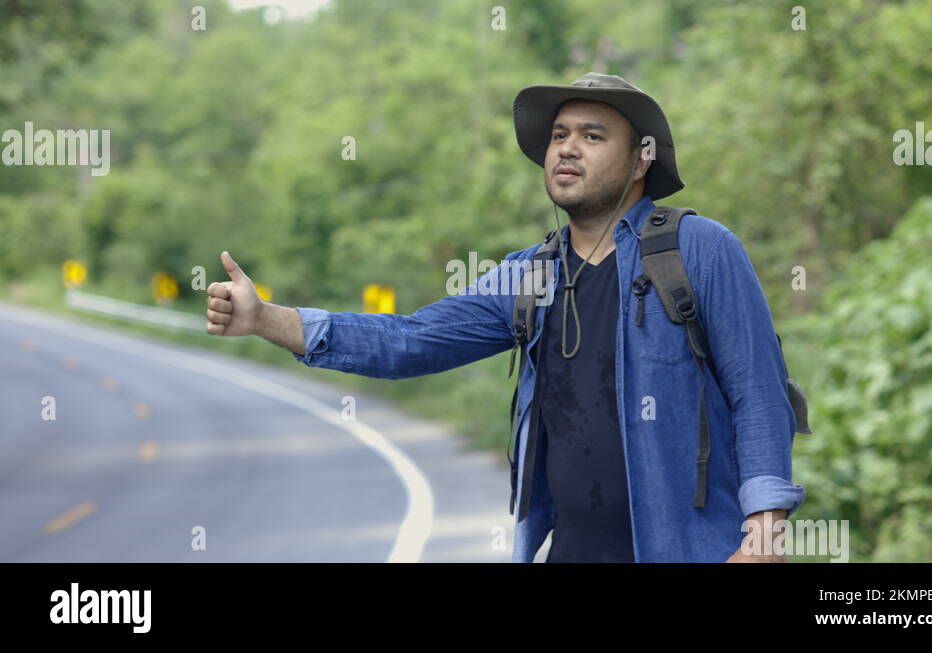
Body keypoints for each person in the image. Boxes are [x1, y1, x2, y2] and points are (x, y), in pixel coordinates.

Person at [204, 72, 805, 563]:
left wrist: (764, 532)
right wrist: (266, 320)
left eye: (593, 136)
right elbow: (414, 339)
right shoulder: (533, 274)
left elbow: (758, 392)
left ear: (641, 157)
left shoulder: (698, 249)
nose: (567, 147)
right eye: (560, 135)